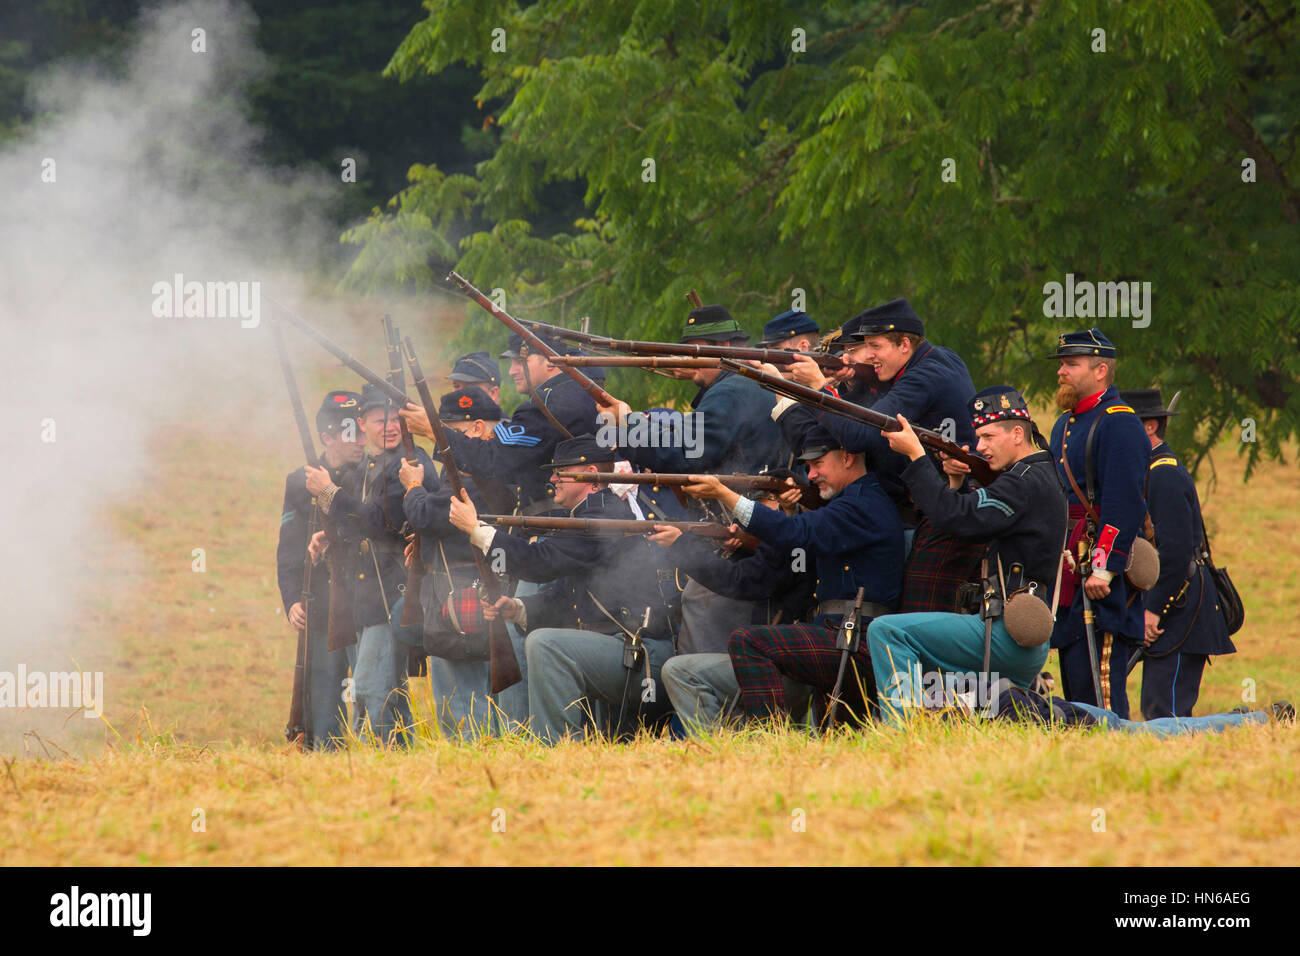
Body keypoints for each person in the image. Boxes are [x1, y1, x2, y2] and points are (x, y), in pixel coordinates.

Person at [450, 436, 679, 742]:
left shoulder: (602, 517)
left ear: (593, 477)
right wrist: (518, 609)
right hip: (621, 649)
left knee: (546, 644)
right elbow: (566, 596)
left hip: (640, 655)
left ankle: (554, 747)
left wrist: (476, 530)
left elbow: (539, 563)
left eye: (562, 471)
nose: (552, 478)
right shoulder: (593, 513)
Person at [866, 387, 1067, 725]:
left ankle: (900, 736)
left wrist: (917, 457)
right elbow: (967, 521)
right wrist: (956, 481)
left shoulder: (1022, 483)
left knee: (887, 632)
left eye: (988, 436)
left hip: (1006, 635)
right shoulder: (1039, 475)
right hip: (1025, 635)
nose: (980, 447)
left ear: (1018, 433)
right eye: (978, 437)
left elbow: (957, 518)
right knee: (1006, 715)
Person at [772, 298, 982, 613]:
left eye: (876, 346)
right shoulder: (930, 362)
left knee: (915, 622)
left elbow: (858, 436)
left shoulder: (926, 374)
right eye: (865, 346)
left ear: (905, 345)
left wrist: (819, 387)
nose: (869, 356)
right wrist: (846, 385)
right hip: (932, 512)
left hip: (939, 517)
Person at [687, 428, 904, 723]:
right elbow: (803, 540)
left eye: (818, 464)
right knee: (845, 735)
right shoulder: (855, 501)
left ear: (848, 457)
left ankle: (770, 736)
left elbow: (800, 533)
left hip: (857, 637)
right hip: (839, 631)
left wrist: (725, 495)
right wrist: (790, 510)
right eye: (808, 466)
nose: (811, 474)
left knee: (748, 641)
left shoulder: (861, 505)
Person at [307, 384, 431, 744]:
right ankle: (398, 763)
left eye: (395, 418)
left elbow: (379, 522)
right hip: (367, 595)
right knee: (384, 693)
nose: (390, 426)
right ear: (362, 423)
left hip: (394, 592)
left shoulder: (410, 462)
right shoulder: (367, 467)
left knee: (373, 691)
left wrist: (329, 492)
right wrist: (331, 537)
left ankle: (382, 764)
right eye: (380, 419)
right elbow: (357, 519)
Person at [649, 470, 818, 731]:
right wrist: (736, 547)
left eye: (767, 517)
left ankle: (710, 751)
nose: (758, 525)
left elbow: (743, 581)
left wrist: (682, 546)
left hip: (785, 671)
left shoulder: (796, 544)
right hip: (775, 664)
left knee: (679, 671)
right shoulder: (776, 548)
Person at [1048, 329, 1149, 718]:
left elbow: (1124, 503)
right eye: (1061, 364)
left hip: (1102, 573)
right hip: (1072, 569)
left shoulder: (1118, 422)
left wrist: (1104, 568)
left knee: (1101, 690)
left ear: (1101, 370)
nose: (1062, 371)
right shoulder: (1066, 423)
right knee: (1075, 678)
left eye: (1071, 364)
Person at [1121, 388, 1237, 718]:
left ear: (1149, 427)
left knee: (1165, 716)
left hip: (1179, 606)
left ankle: (1254, 721)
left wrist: (1154, 610)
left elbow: (1174, 552)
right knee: (1160, 712)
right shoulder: (1154, 470)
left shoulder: (1163, 475)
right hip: (1178, 602)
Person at [398, 387, 505, 739]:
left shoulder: (473, 475)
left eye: (450, 430)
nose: (441, 440)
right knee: (460, 699)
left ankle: (474, 766)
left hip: (463, 590)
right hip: (464, 585)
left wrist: (413, 488)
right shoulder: (483, 470)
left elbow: (430, 515)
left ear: (475, 429)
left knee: (461, 704)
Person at [400, 330, 596, 513]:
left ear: (551, 361)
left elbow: (492, 458)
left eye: (521, 361)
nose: (512, 371)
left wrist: (433, 430)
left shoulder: (549, 406)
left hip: (555, 523)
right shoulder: (571, 395)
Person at [276, 389, 364, 749]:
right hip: (322, 599)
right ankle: (326, 755)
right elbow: (290, 545)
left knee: (368, 687)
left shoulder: (371, 473)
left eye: (361, 430)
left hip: (364, 596)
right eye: (349, 434)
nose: (360, 440)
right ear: (327, 437)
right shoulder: (300, 481)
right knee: (324, 693)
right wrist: (293, 598)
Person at [598, 305, 782, 475]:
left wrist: (627, 423)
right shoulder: (746, 381)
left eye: (695, 352)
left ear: (723, 346)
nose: (690, 359)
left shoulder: (730, 391)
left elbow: (684, 451)